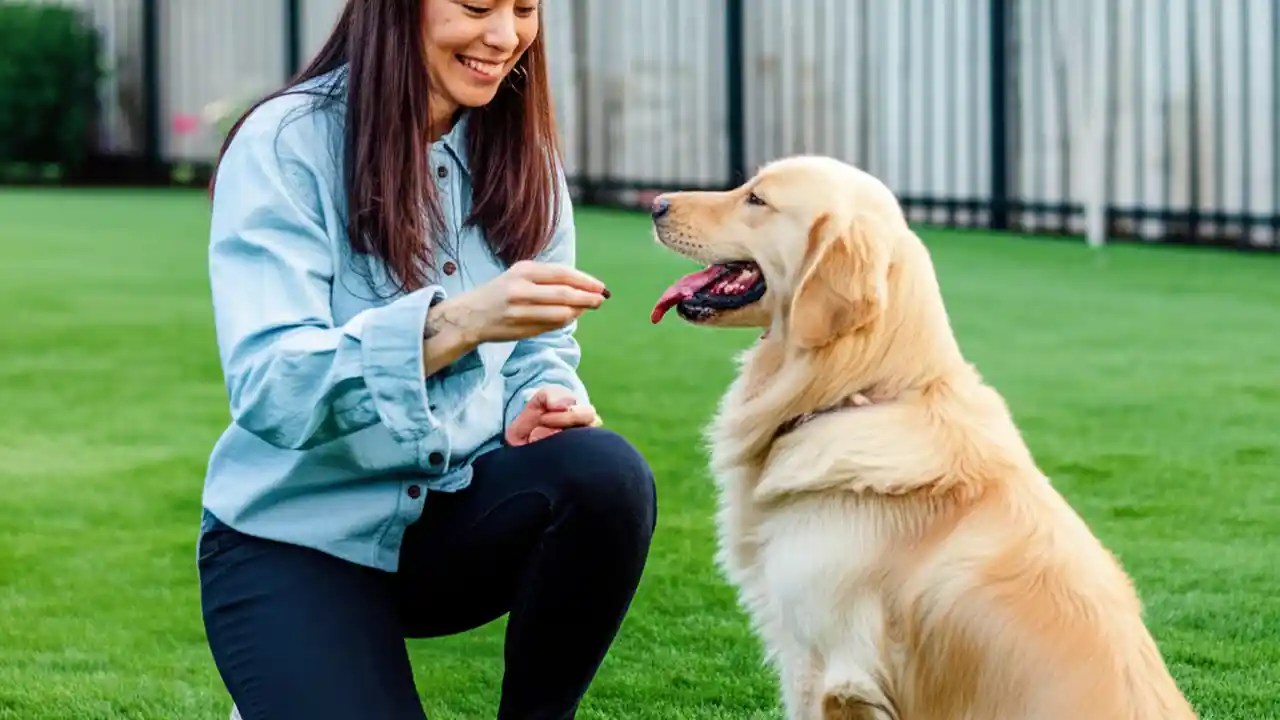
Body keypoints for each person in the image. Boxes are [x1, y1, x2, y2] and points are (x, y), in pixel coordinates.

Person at [197, 1, 658, 718]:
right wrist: (458, 322)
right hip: (296, 538)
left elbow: (540, 348)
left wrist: (542, 401)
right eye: (476, 6)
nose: (504, 37)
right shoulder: (286, 142)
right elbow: (273, 387)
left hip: (452, 522)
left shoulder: (524, 156)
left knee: (605, 475)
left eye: (525, 9)